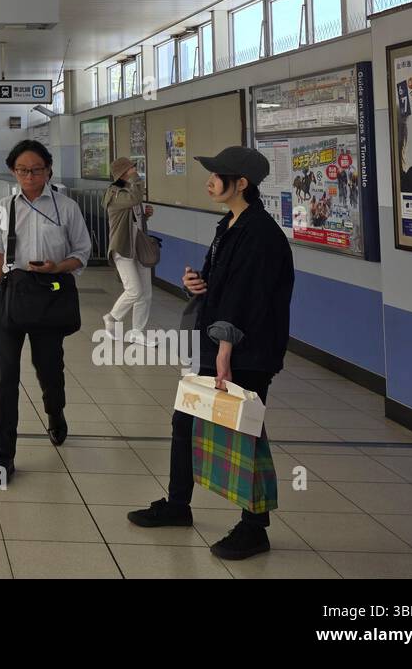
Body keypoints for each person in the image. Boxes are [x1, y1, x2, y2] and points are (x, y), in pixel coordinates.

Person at [127, 146, 294, 561]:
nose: (210, 180)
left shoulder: (260, 234)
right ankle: (178, 504)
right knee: (184, 423)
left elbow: (248, 299)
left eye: (218, 175)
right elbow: (224, 287)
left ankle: (255, 528)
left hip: (244, 352)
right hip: (218, 344)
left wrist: (224, 352)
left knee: (247, 433)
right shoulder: (230, 224)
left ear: (242, 184)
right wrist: (196, 283)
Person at [0, 139, 92, 486]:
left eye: (36, 170)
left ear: (48, 170)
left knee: (49, 367)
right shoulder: (4, 207)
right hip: (10, 296)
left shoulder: (66, 208)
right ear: (13, 172)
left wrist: (56, 267)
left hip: (50, 294)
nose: (29, 176)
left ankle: (55, 412)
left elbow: (82, 253)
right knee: (4, 378)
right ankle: (4, 456)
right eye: (22, 170)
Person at [102, 156, 154, 344]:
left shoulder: (130, 192)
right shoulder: (114, 193)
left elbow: (133, 220)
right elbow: (135, 198)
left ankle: (137, 331)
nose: (135, 170)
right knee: (134, 290)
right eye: (132, 168)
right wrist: (137, 179)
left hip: (138, 247)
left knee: (146, 293)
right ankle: (112, 318)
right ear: (123, 172)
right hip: (122, 248)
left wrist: (145, 216)